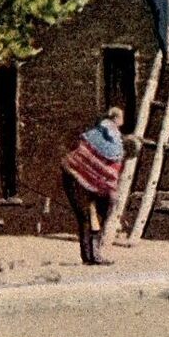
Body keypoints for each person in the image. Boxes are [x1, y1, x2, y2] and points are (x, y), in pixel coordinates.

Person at [60, 107, 139, 265]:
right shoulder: (116, 156)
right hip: (77, 178)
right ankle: (92, 256)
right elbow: (109, 183)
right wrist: (114, 201)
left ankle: (91, 256)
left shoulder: (103, 134)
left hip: (72, 173)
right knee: (87, 217)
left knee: (89, 217)